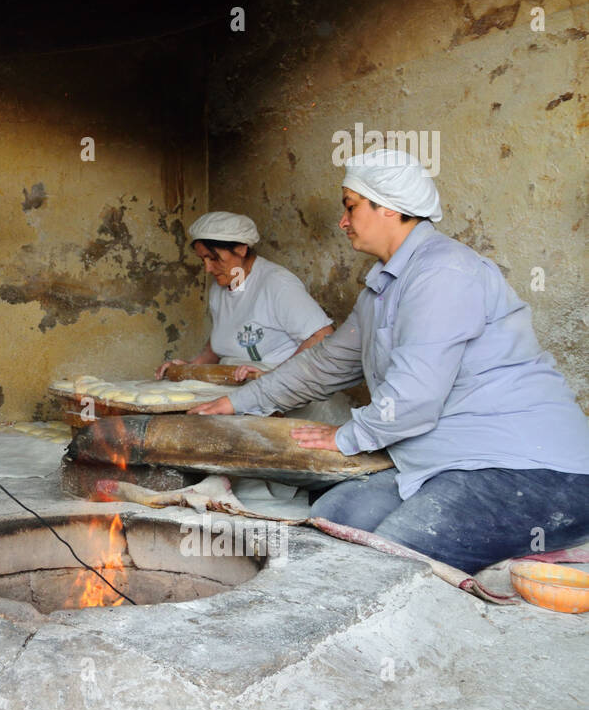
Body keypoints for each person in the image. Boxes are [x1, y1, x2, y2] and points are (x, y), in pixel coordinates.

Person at [191, 149, 589, 573]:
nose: (343, 222)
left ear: (390, 209)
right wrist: (239, 402)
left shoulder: (444, 272)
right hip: (439, 463)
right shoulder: (380, 290)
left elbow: (415, 397)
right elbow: (325, 363)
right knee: (330, 520)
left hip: (527, 469)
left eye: (350, 206)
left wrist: (347, 436)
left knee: (385, 561)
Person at [157, 211, 334, 383]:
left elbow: (321, 336)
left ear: (241, 249)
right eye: (203, 259)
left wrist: (273, 376)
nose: (208, 268)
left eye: (214, 258)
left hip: (286, 396)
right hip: (241, 390)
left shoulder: (277, 284)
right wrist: (189, 368)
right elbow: (224, 339)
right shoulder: (220, 288)